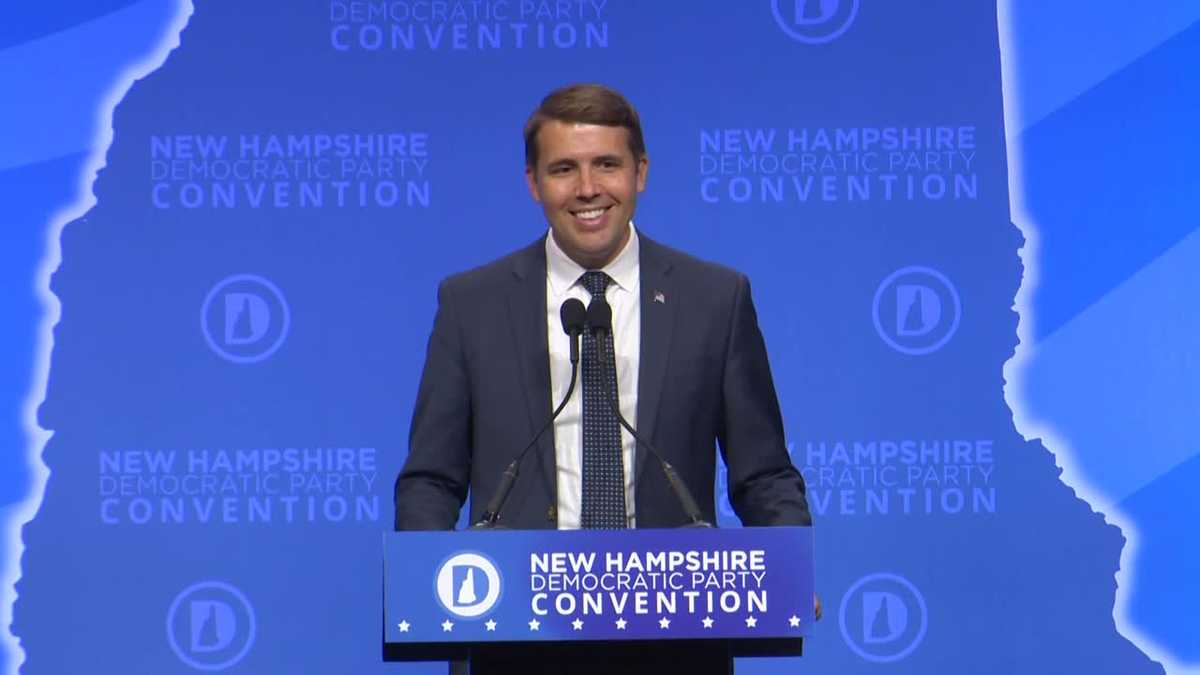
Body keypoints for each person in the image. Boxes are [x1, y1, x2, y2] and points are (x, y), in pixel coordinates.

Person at [394, 83, 811, 673]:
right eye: (563, 169)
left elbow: (763, 472)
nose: (587, 189)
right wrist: (426, 578)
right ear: (533, 183)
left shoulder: (715, 299)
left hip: (675, 639)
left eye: (606, 165)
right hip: (515, 638)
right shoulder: (473, 304)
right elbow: (431, 480)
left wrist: (791, 566)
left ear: (640, 172)